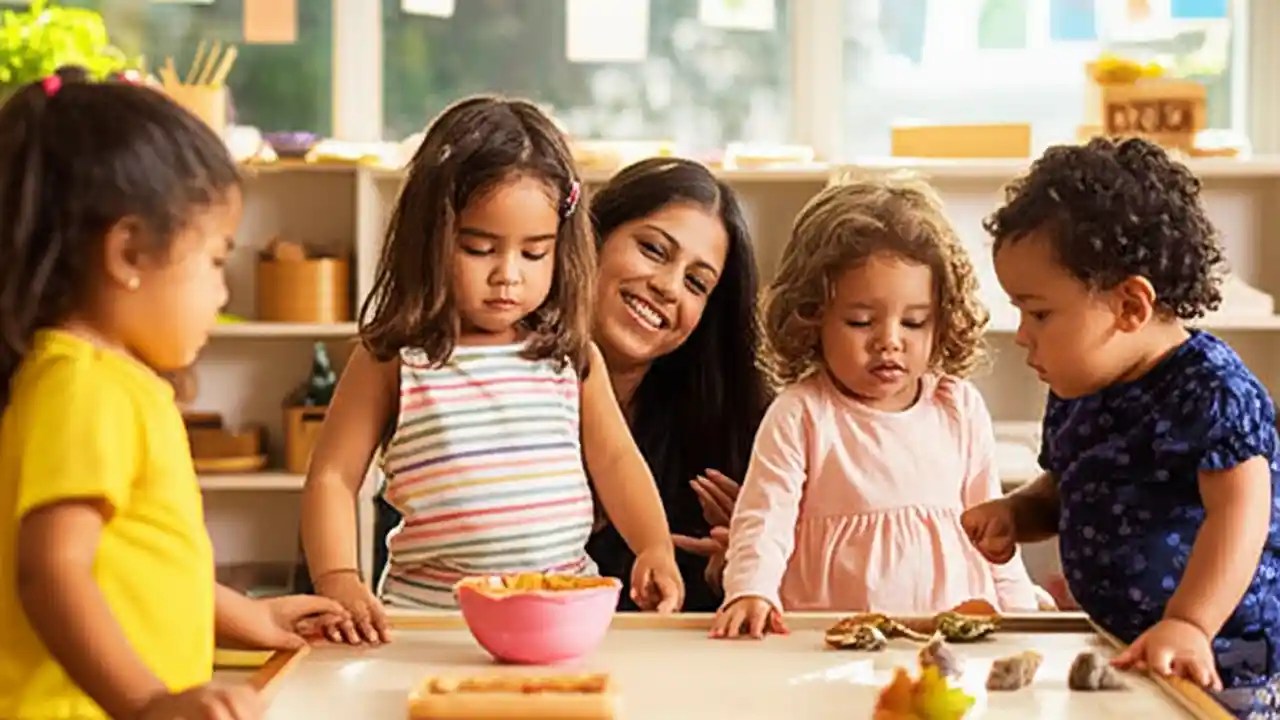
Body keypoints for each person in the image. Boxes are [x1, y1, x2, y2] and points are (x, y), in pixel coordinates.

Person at [0, 67, 347, 720]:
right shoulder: (84, 386)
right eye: (216, 261)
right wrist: (148, 703)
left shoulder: (108, 383)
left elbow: (138, 562)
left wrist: (247, 615)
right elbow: (51, 570)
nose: (223, 294)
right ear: (129, 251)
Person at [300, 96, 684, 644]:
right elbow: (333, 477)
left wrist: (654, 545)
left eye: (534, 254)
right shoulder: (396, 358)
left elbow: (618, 460)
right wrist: (338, 578)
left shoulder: (569, 356)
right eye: (480, 248)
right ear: (432, 236)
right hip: (428, 625)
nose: (508, 275)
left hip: (561, 617)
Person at [962, 137, 1280, 717]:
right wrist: (1015, 513)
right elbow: (1067, 489)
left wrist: (1189, 623)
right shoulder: (1078, 389)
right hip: (1123, 648)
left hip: (1222, 662)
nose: (1024, 334)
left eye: (1039, 313)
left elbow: (1242, 514)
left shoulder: (1212, 390)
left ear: (1132, 305)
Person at [711, 176, 1043, 639]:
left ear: (942, 318)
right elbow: (764, 519)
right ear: (812, 317)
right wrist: (751, 590)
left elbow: (995, 534)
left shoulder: (958, 407)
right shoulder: (801, 414)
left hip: (950, 637)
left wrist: (1022, 614)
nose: (889, 340)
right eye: (860, 321)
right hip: (827, 638)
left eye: (914, 322)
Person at [584, 158, 772, 612]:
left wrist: (743, 566)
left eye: (696, 282)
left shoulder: (726, 439)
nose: (668, 287)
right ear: (590, 239)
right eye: (653, 249)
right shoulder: (476, 381)